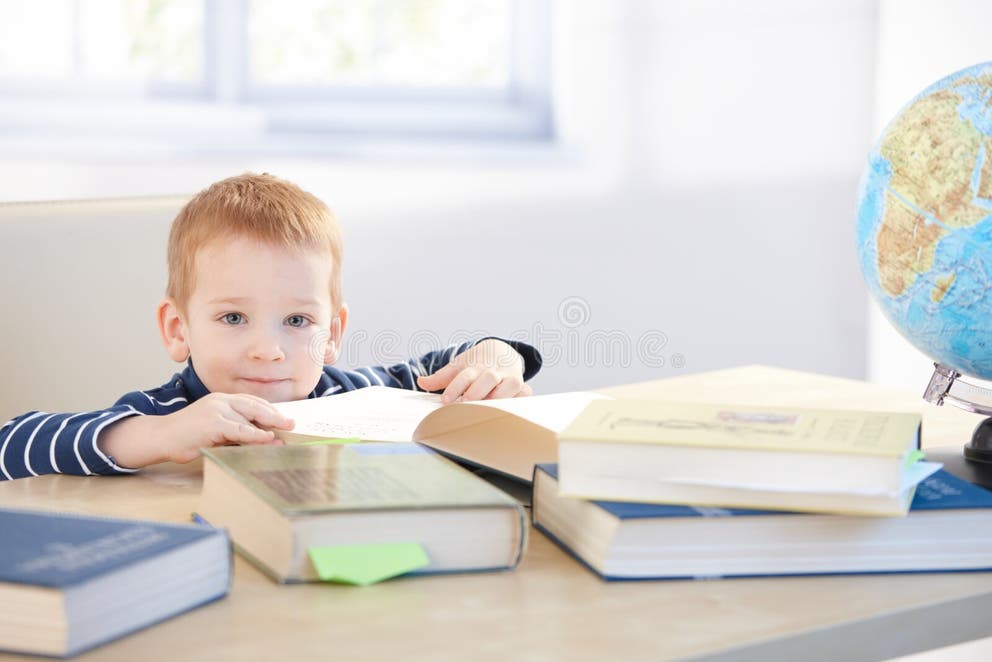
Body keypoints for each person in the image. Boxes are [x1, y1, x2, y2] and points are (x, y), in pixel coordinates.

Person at [0, 173, 541, 480]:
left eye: (298, 320)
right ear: (178, 329)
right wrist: (155, 437)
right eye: (233, 317)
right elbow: (9, 447)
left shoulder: (353, 394)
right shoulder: (168, 415)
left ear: (331, 333)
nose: (268, 350)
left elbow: (453, 361)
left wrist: (496, 358)